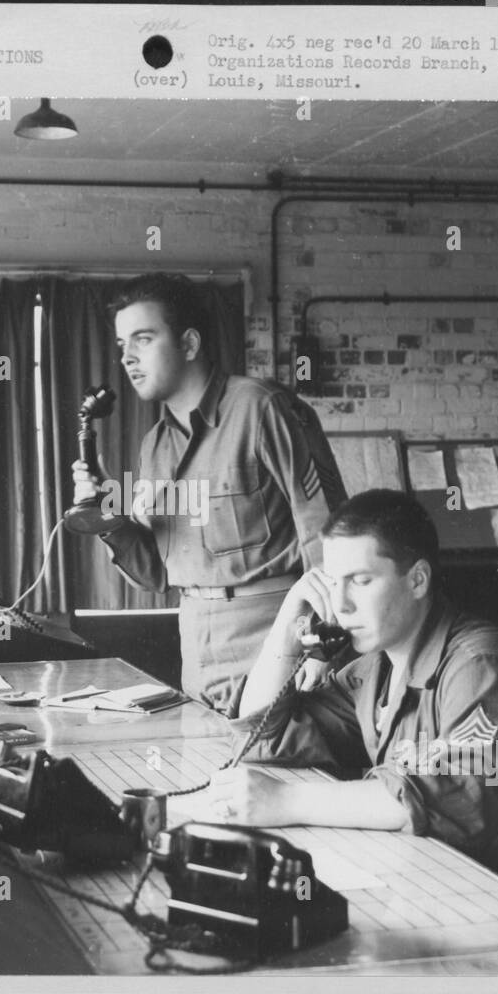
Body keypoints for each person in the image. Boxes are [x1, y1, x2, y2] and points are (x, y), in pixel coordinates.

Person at [207, 489, 498, 886]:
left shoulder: (481, 666)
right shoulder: (375, 668)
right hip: (448, 877)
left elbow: (461, 796)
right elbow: (264, 740)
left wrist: (286, 801)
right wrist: (286, 627)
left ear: (417, 579)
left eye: (360, 581)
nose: (341, 606)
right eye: (333, 583)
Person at [72, 273, 346, 715]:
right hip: (198, 655)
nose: (127, 357)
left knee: (282, 775)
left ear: (190, 344)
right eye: (123, 345)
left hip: (277, 643)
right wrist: (108, 503)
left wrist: (319, 648)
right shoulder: (155, 447)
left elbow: (330, 536)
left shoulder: (262, 409)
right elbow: (157, 575)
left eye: (143, 339)